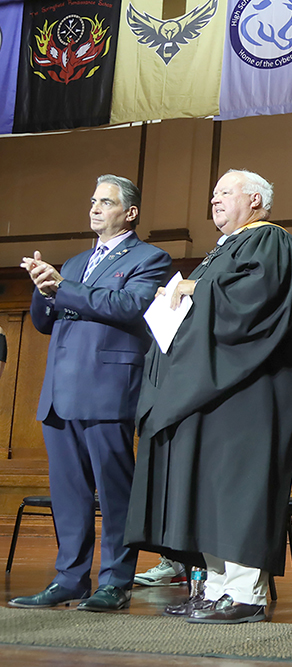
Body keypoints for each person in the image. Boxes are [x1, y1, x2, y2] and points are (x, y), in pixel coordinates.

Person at [124, 169, 292, 624]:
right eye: (212, 194)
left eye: (223, 193)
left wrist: (195, 289)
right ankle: (214, 589)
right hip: (217, 392)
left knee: (240, 490)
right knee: (212, 490)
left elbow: (252, 302)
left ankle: (246, 594)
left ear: (254, 199)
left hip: (250, 392)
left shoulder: (271, 241)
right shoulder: (223, 250)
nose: (214, 201)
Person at [10, 175, 171, 611]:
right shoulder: (76, 260)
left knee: (115, 493)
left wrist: (62, 287)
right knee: (69, 494)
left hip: (107, 390)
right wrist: (43, 288)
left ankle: (115, 581)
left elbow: (130, 307)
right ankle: (69, 578)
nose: (95, 208)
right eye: (93, 201)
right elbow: (46, 322)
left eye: (106, 202)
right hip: (60, 393)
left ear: (130, 212)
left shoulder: (150, 258)